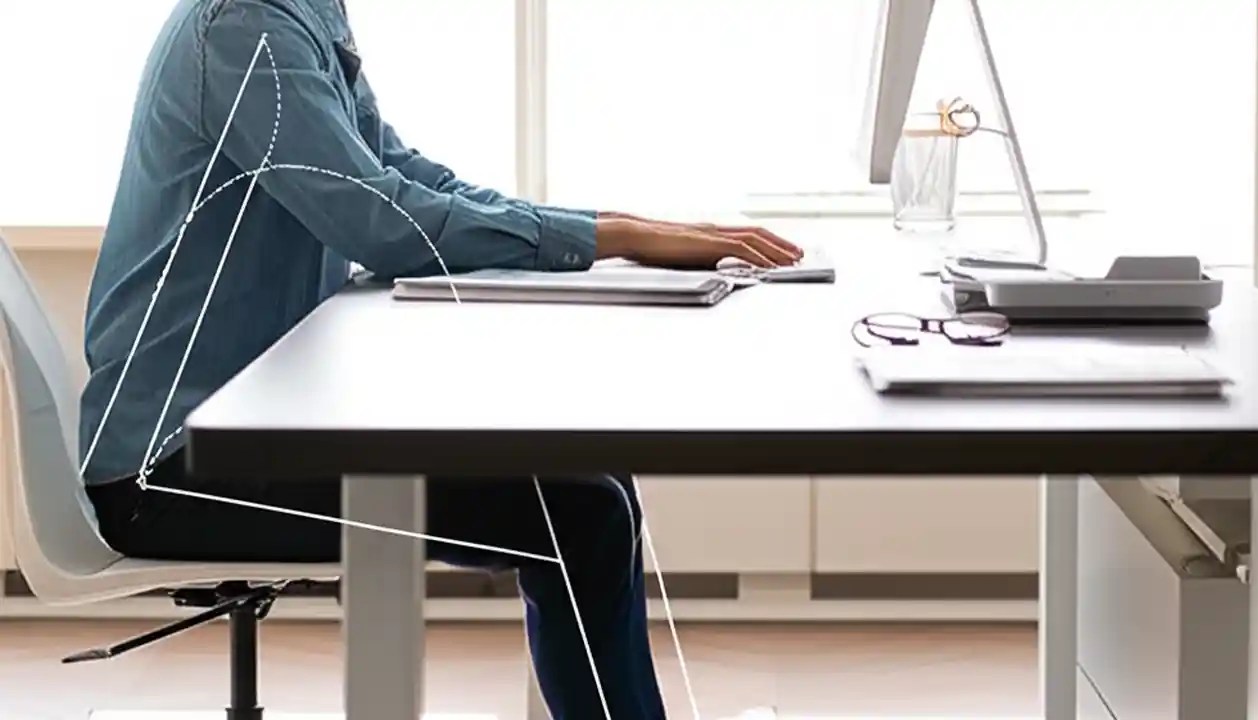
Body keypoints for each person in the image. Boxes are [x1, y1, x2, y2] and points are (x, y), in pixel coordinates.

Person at [78, 0, 801, 717]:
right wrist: (614, 238)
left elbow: (405, 178)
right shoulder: (245, 31)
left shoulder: (302, 17)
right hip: (171, 476)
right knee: (581, 512)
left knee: (596, 480)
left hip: (251, 437)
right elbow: (381, 221)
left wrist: (625, 229)